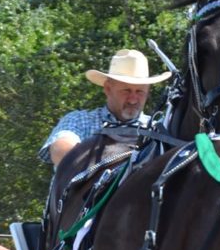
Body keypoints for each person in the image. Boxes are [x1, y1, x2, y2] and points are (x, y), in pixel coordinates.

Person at [38, 49, 172, 168]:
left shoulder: (158, 131)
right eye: (126, 90)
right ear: (108, 89)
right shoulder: (80, 121)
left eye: (140, 92)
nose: (133, 99)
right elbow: (60, 150)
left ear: (148, 92)